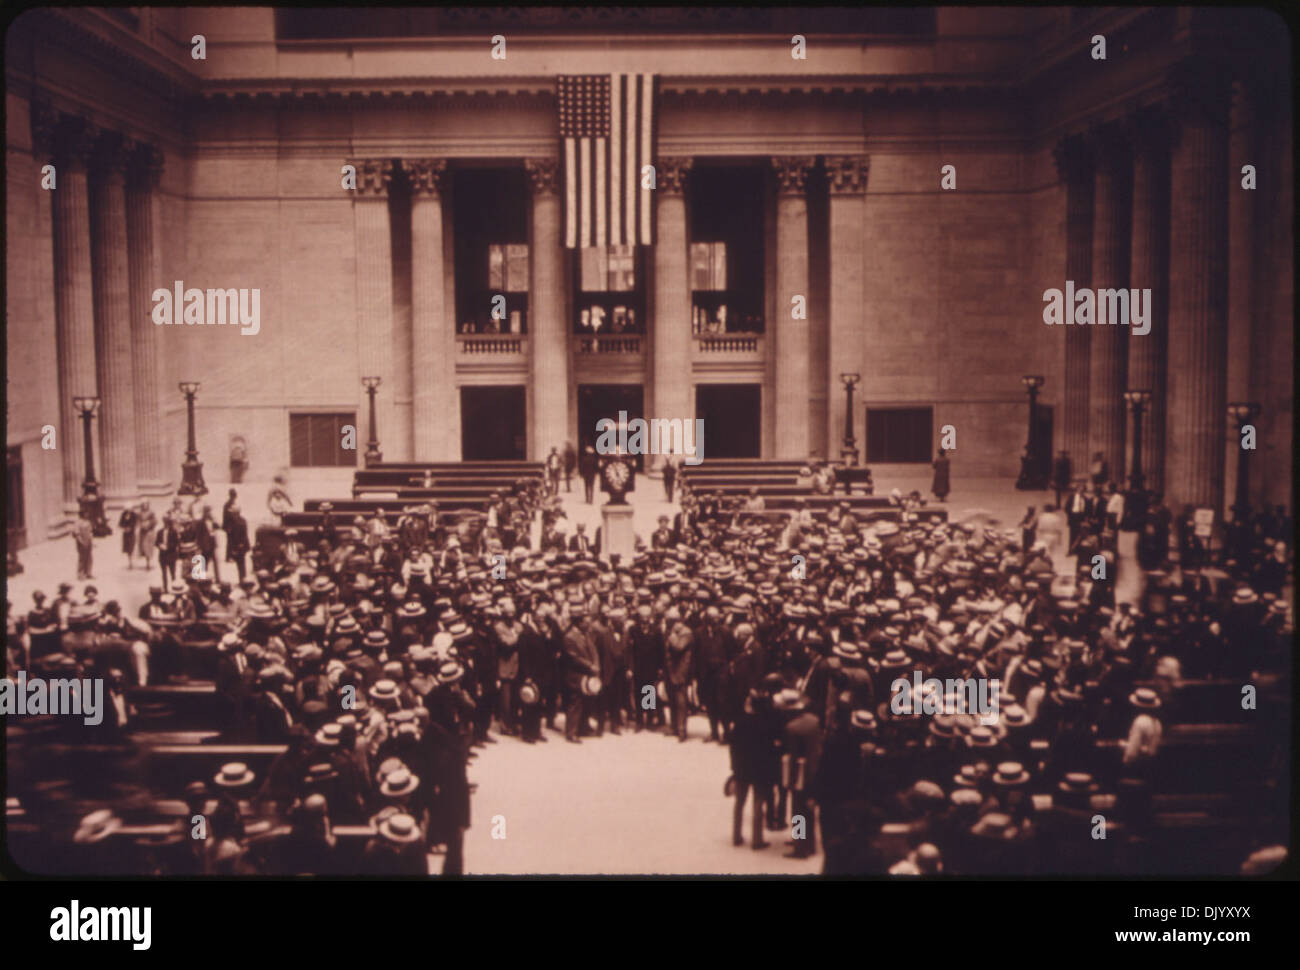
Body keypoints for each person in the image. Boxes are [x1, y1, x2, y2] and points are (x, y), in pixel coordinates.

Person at [71, 513, 94, 580]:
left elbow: (90, 532)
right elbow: (77, 534)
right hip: (81, 542)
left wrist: (91, 541)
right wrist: (82, 542)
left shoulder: (88, 522)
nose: (87, 515)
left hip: (88, 541)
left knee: (89, 558)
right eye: (85, 514)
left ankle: (88, 573)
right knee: (82, 558)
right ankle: (80, 574)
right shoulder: (78, 523)